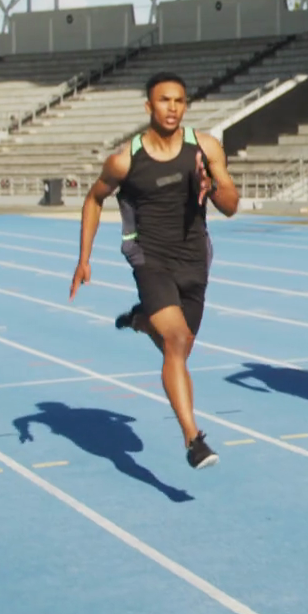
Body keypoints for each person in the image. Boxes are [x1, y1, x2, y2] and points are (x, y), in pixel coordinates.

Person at [69, 71, 239, 470]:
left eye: (179, 100)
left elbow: (231, 205)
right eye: (164, 100)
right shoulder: (125, 159)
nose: (173, 108)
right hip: (151, 261)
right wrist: (83, 258)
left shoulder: (205, 147)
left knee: (178, 348)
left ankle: (143, 320)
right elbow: (94, 200)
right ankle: (194, 440)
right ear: (149, 106)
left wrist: (210, 184)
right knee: (177, 341)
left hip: (195, 261)